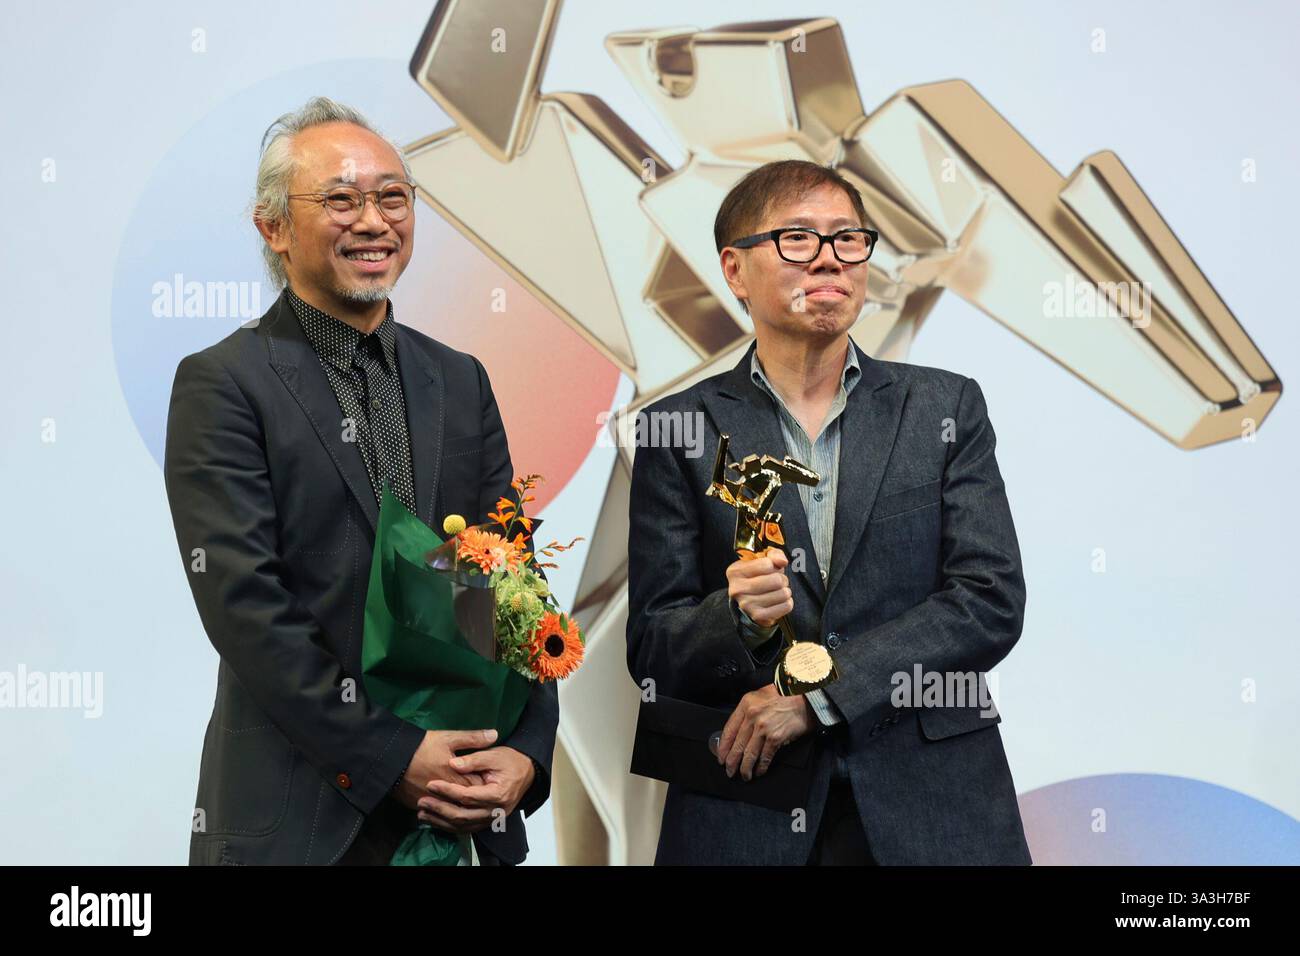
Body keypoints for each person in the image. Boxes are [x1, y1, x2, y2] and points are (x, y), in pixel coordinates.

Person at [164, 97, 556, 865]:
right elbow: (247, 607)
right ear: (273, 228)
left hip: (464, 808)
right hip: (303, 819)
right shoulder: (224, 382)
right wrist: (391, 755)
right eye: (341, 199)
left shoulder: (459, 379)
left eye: (392, 197)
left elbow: (513, 582)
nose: (373, 221)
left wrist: (529, 752)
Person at [626, 159, 1032, 864]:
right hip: (745, 811)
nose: (830, 260)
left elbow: (988, 600)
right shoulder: (677, 429)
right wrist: (737, 618)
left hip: (935, 805)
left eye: (849, 240)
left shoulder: (943, 407)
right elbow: (652, 648)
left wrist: (817, 698)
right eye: (797, 239)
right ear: (735, 268)